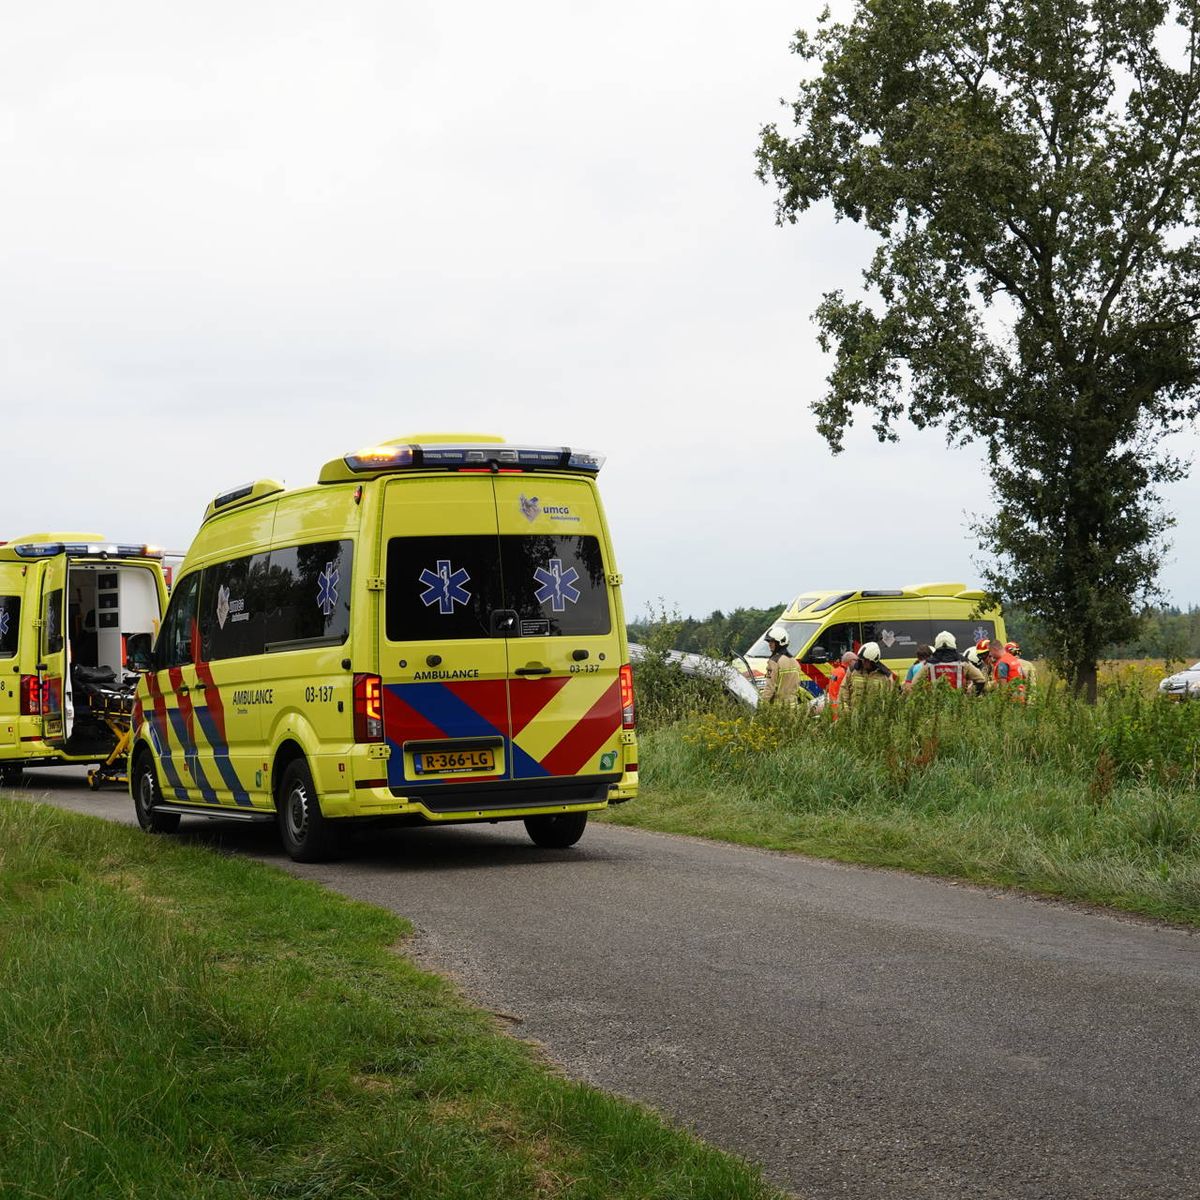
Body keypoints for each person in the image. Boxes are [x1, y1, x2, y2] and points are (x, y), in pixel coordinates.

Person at [910, 630, 986, 691]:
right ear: (953, 644)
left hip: (935, 705)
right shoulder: (963, 663)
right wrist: (970, 695)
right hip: (959, 705)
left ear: (936, 644)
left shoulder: (928, 665)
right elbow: (981, 680)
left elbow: (914, 684)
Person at [839, 641, 894, 712]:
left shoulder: (885, 676)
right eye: (862, 660)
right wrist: (845, 710)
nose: (862, 662)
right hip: (853, 716)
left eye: (865, 660)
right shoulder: (853, 670)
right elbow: (844, 690)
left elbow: (888, 700)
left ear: (873, 661)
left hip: (873, 718)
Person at [761, 625, 801, 708]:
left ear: (779, 642)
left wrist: (762, 705)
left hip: (778, 708)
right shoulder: (795, 662)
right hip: (793, 706)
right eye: (769, 642)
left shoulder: (774, 661)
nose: (769, 644)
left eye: (772, 642)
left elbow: (770, 687)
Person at [826, 649, 857, 717]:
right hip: (840, 708)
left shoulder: (835, 671)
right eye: (856, 660)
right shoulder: (844, 674)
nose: (857, 663)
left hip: (832, 707)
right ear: (850, 661)